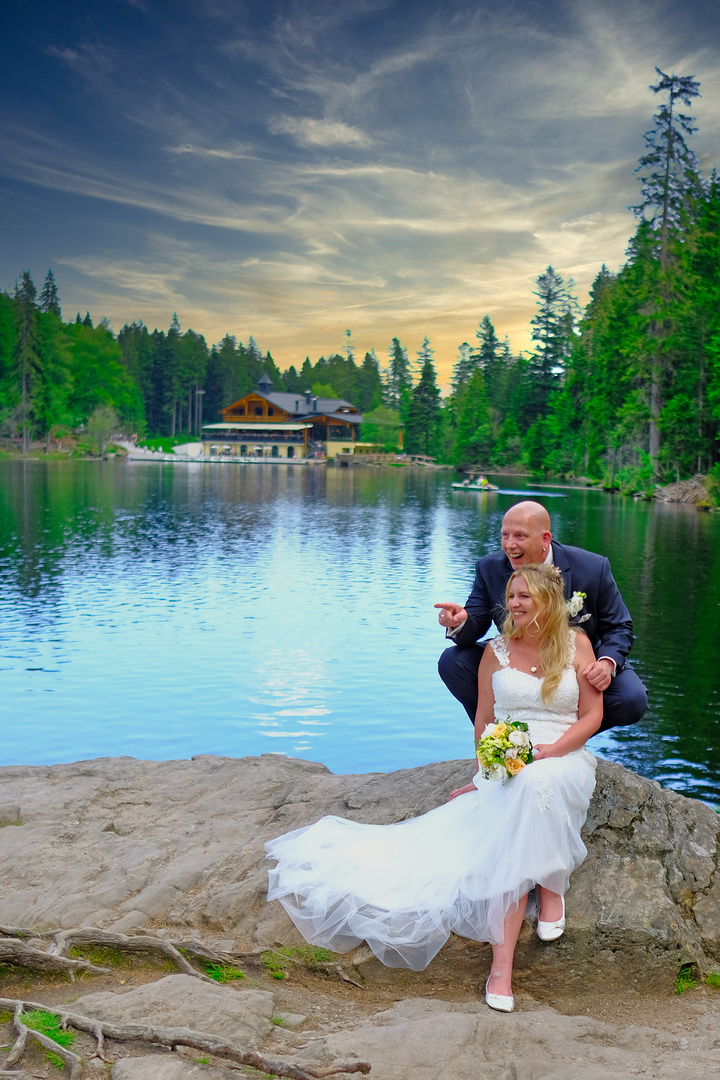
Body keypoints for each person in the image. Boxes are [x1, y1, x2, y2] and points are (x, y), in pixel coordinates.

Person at [265, 564, 601, 1013]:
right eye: (512, 596)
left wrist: (553, 749)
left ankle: (524, 931)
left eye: (525, 596)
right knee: (519, 798)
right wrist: (487, 773)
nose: (515, 604)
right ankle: (523, 930)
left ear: (548, 601)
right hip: (511, 762)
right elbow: (484, 720)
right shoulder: (495, 651)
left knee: (536, 785)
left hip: (563, 756)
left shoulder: (578, 645)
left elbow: (591, 717)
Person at [436, 500, 647, 733]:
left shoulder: (592, 568)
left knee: (631, 700)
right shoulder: (489, 568)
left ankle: (566, 735)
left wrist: (606, 663)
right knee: (453, 663)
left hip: (578, 666)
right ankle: (501, 737)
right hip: (519, 659)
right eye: (504, 535)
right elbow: (474, 623)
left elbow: (619, 626)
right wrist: (460, 622)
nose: (509, 544)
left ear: (545, 538)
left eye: (520, 536)